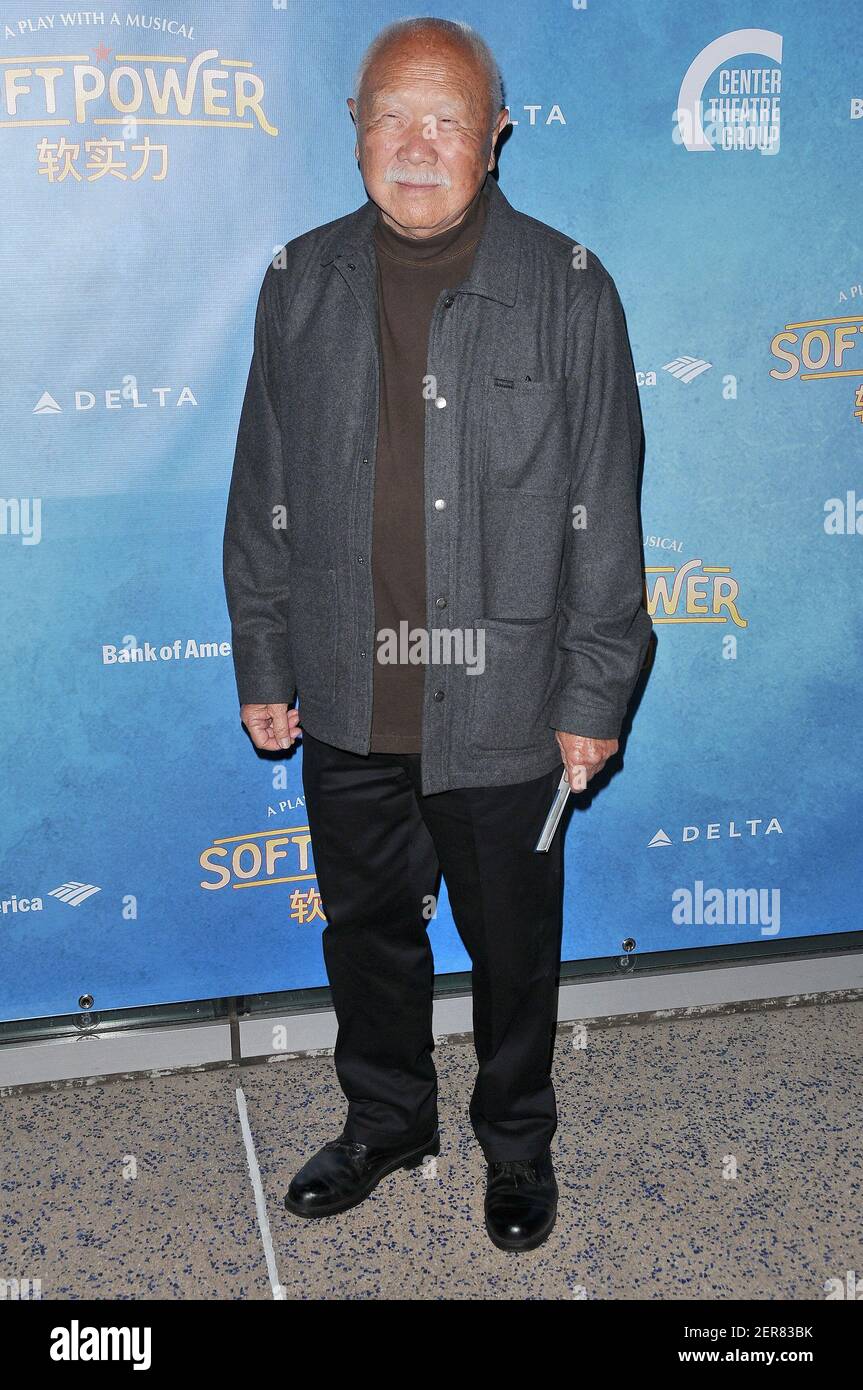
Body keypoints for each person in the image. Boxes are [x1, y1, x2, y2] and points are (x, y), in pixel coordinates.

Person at [223, 16, 651, 1252]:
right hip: (350, 693)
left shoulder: (566, 289)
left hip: (510, 697)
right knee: (364, 933)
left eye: (446, 119)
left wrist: (593, 691)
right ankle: (386, 1118)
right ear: (354, 131)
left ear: (496, 135)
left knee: (512, 947)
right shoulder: (298, 281)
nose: (416, 145)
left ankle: (515, 1146)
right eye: (390, 118)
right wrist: (265, 656)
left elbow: (607, 511)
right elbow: (261, 489)